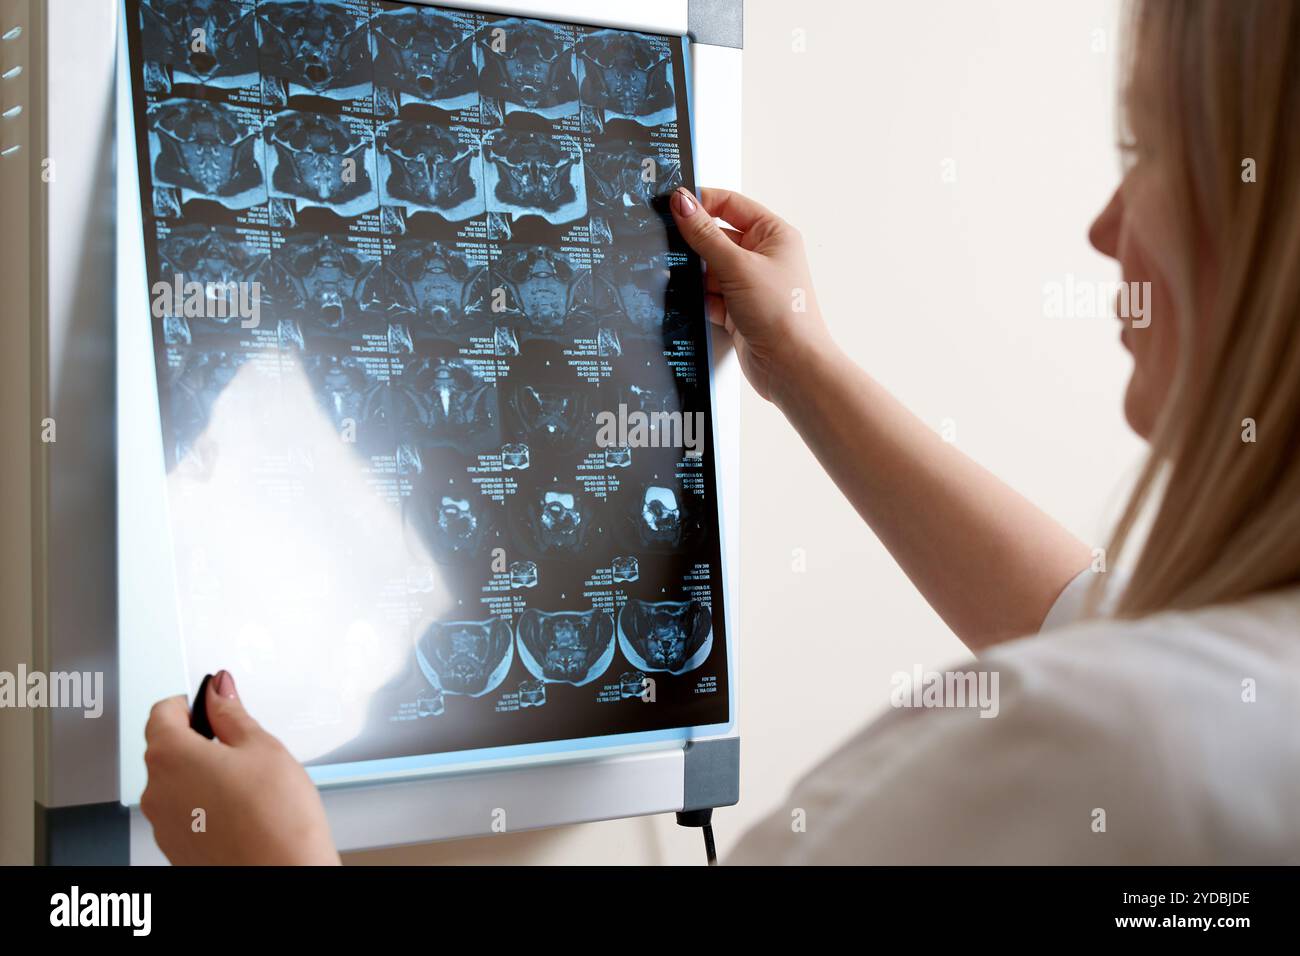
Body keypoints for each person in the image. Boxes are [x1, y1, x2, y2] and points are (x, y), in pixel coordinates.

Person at [141, 0, 1300, 865]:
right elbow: (1090, 614)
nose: (1103, 227)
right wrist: (798, 361)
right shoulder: (1238, 693)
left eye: (1145, 152)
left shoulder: (1111, 748)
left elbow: (1112, 682)